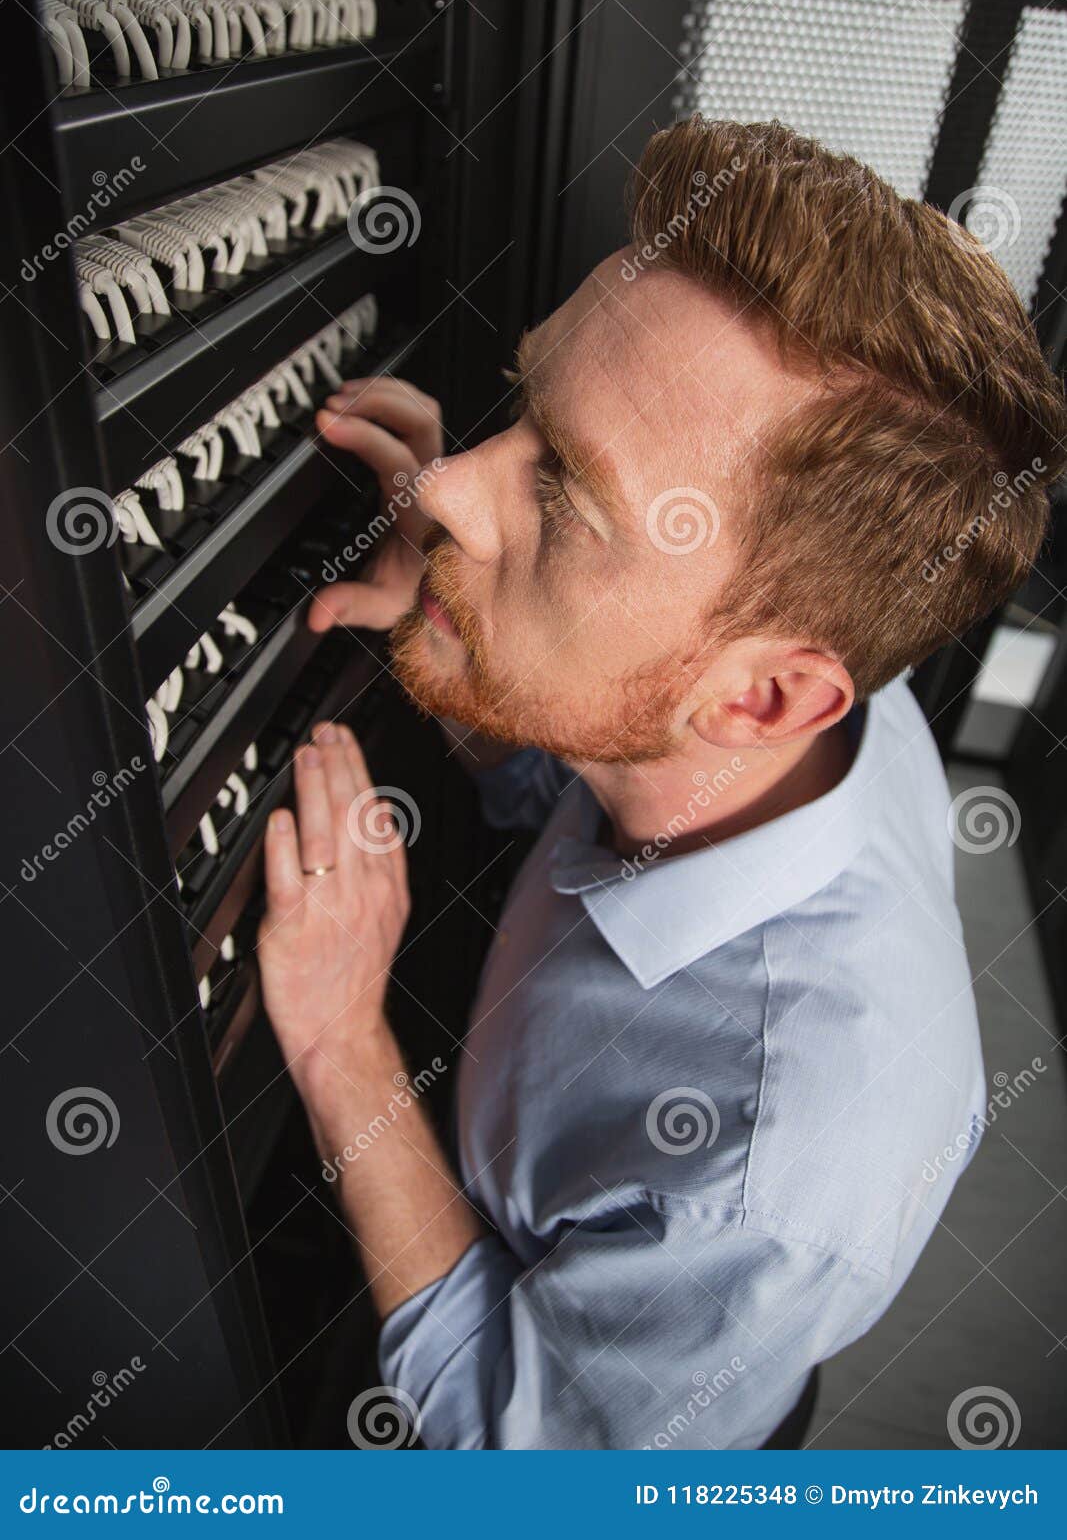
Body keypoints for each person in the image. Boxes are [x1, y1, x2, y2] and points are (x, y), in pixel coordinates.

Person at [256, 117, 1065, 1449]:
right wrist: (455, 618)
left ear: (762, 698)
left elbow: (517, 1458)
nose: (448, 485)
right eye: (525, 412)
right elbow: (595, 775)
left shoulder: (782, 1175)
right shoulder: (788, 709)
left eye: (566, 496)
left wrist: (344, 1047)